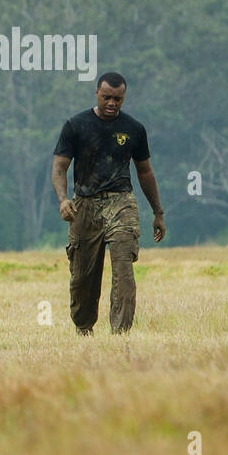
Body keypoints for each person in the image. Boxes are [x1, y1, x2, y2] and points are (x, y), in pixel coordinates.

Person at [52, 72, 165, 334]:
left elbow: (145, 172)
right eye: (107, 97)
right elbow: (59, 168)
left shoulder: (134, 129)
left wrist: (157, 212)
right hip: (85, 204)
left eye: (118, 99)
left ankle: (120, 333)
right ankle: (83, 327)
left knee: (123, 269)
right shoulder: (75, 125)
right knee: (82, 277)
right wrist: (63, 200)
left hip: (121, 201)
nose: (112, 103)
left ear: (123, 98)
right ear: (96, 94)